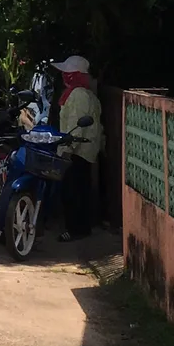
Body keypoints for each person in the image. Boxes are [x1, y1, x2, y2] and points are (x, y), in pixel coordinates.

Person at [53, 54, 102, 240]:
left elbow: (76, 126)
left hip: (78, 151)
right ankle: (79, 228)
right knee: (78, 189)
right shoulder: (80, 93)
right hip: (80, 150)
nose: (64, 77)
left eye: (67, 73)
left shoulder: (79, 95)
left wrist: (67, 149)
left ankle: (76, 230)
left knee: (73, 191)